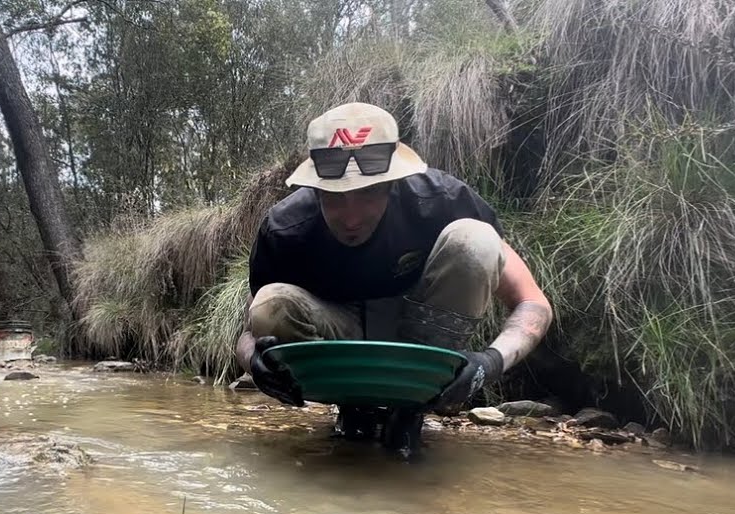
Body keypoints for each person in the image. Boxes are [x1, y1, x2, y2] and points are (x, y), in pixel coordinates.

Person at [235, 102, 554, 454]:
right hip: (339, 336)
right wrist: (255, 364)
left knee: (476, 240)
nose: (351, 217)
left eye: (369, 192)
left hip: (421, 335)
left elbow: (533, 302)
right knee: (270, 304)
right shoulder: (285, 228)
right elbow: (250, 331)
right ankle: (352, 404)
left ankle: (412, 404)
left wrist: (490, 363)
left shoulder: (442, 201)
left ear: (392, 183)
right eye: (335, 196)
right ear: (316, 188)